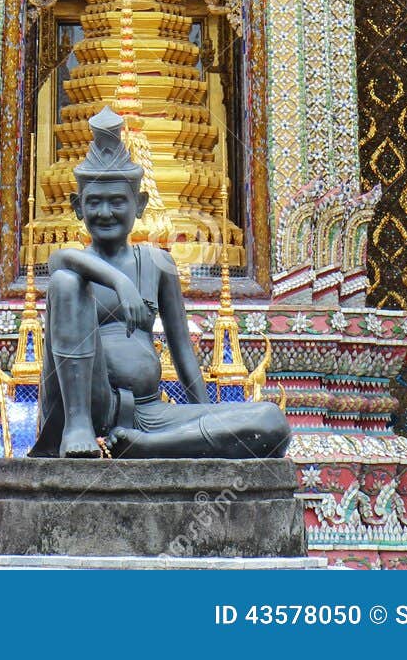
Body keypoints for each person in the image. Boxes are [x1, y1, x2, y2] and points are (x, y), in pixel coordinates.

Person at [29, 105, 289, 460]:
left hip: (150, 411)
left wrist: (205, 413)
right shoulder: (74, 264)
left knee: (271, 422)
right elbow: (61, 262)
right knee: (66, 283)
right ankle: (79, 427)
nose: (105, 213)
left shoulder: (156, 263)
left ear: (140, 204)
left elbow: (182, 351)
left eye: (118, 201)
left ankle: (148, 446)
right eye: (95, 203)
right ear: (77, 207)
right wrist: (120, 281)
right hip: (91, 405)